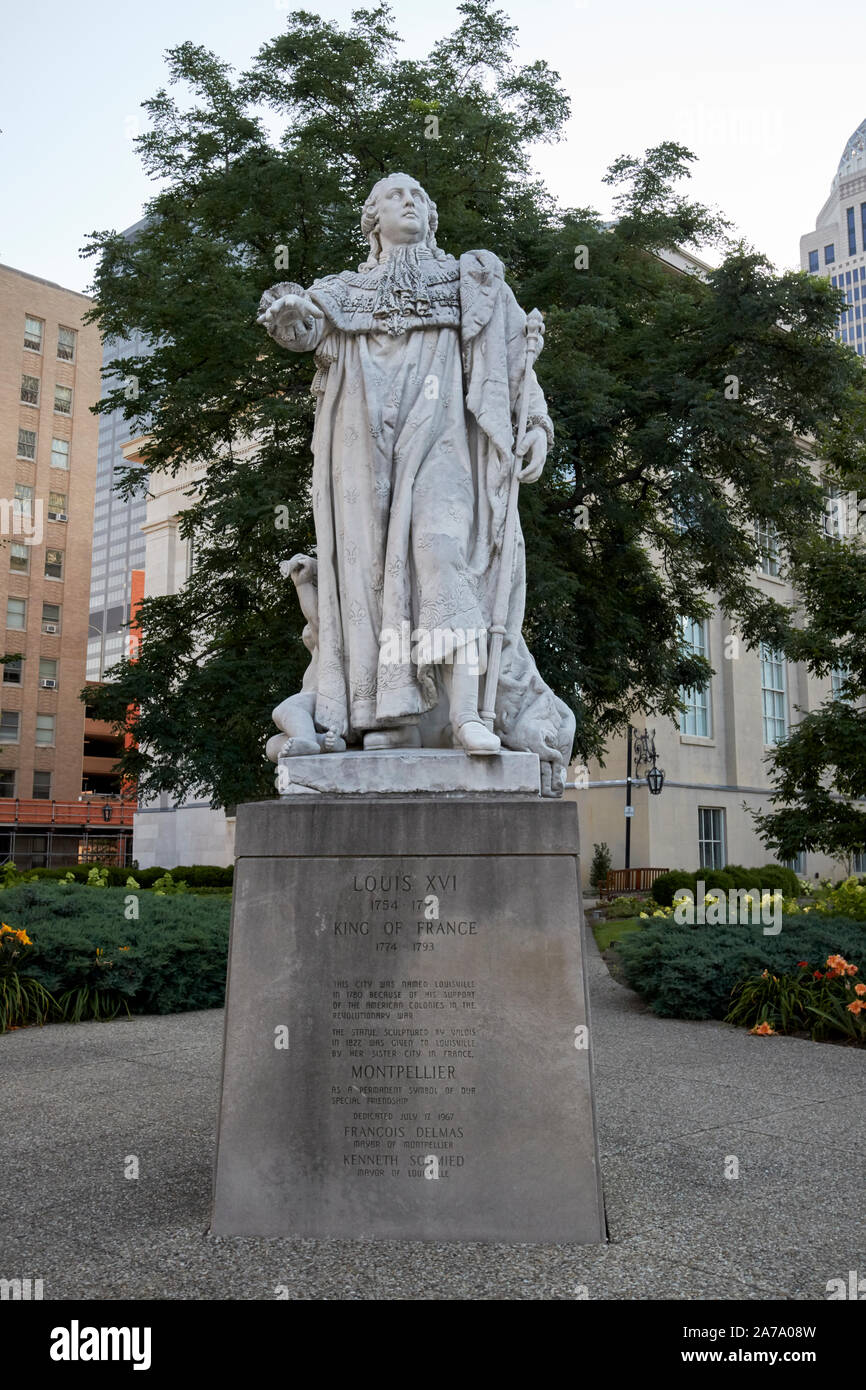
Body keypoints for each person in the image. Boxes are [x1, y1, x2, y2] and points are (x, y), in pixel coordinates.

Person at [258, 173, 573, 791]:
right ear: (372, 216)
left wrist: (533, 425)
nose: (413, 202)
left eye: (421, 197)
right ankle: (390, 712)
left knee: (441, 552)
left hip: (442, 441)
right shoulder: (341, 290)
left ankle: (464, 715)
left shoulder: (470, 280)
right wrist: (289, 315)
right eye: (397, 195)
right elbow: (301, 333)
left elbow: (512, 362)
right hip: (364, 447)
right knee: (373, 577)